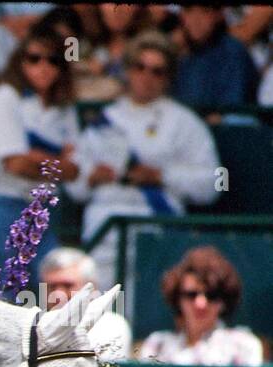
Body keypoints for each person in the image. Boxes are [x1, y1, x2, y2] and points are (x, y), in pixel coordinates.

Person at [68, 32, 220, 293]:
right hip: (105, 223)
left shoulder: (183, 121)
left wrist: (161, 176)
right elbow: (74, 180)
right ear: (127, 70)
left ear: (168, 77)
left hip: (157, 225)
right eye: (140, 67)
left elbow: (213, 183)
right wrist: (92, 176)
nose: (146, 77)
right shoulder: (105, 119)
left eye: (157, 71)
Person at [0, 26, 80, 286]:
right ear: (20, 61)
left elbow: (75, 170)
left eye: (53, 60)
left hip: (46, 214)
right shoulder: (5, 97)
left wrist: (36, 158)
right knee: (1, 295)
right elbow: (15, 163)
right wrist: (56, 162)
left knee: (52, 294)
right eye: (34, 59)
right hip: (6, 207)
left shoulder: (65, 109)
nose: (43, 67)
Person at [137, 246, 263, 367]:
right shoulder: (156, 344)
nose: (200, 303)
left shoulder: (243, 345)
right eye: (191, 294)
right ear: (178, 298)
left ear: (223, 301)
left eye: (211, 295)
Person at [38, 248, 131, 360]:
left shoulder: (111, 326)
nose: (58, 294)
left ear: (92, 288)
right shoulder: (36, 326)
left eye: (68, 285)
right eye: (52, 286)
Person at [173, 4, 259, 113]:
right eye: (189, 11)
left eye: (205, 11)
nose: (196, 19)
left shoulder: (233, 53)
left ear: (218, 15)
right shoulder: (178, 54)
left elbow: (231, 108)